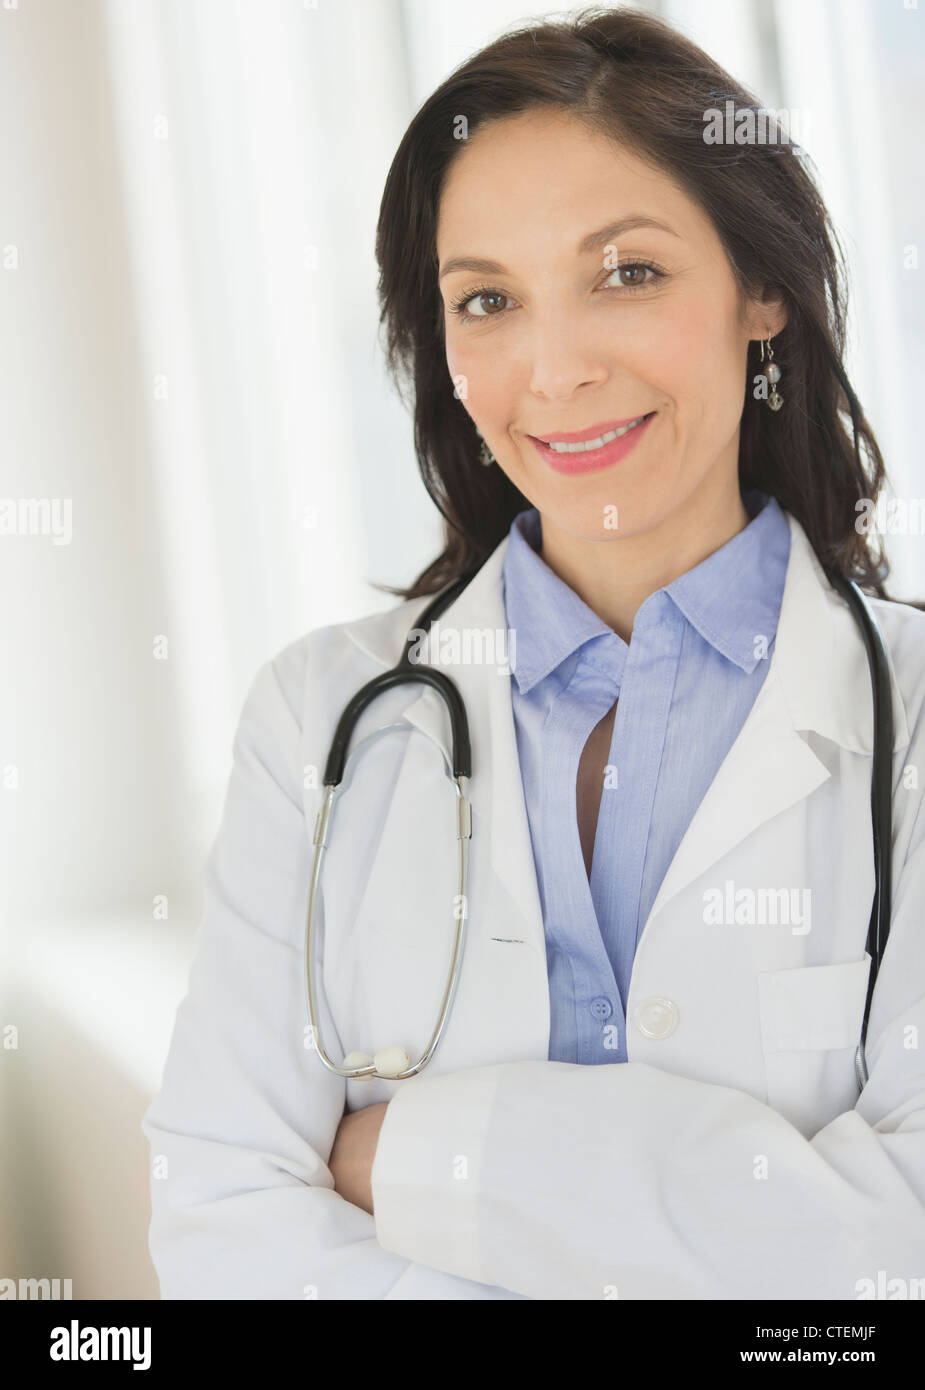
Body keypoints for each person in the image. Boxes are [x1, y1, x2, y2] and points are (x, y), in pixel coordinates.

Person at [142, 6, 925, 1299]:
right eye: (487, 299)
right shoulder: (318, 717)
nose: (552, 368)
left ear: (762, 287)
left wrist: (419, 1156)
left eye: (626, 272)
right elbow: (225, 1220)